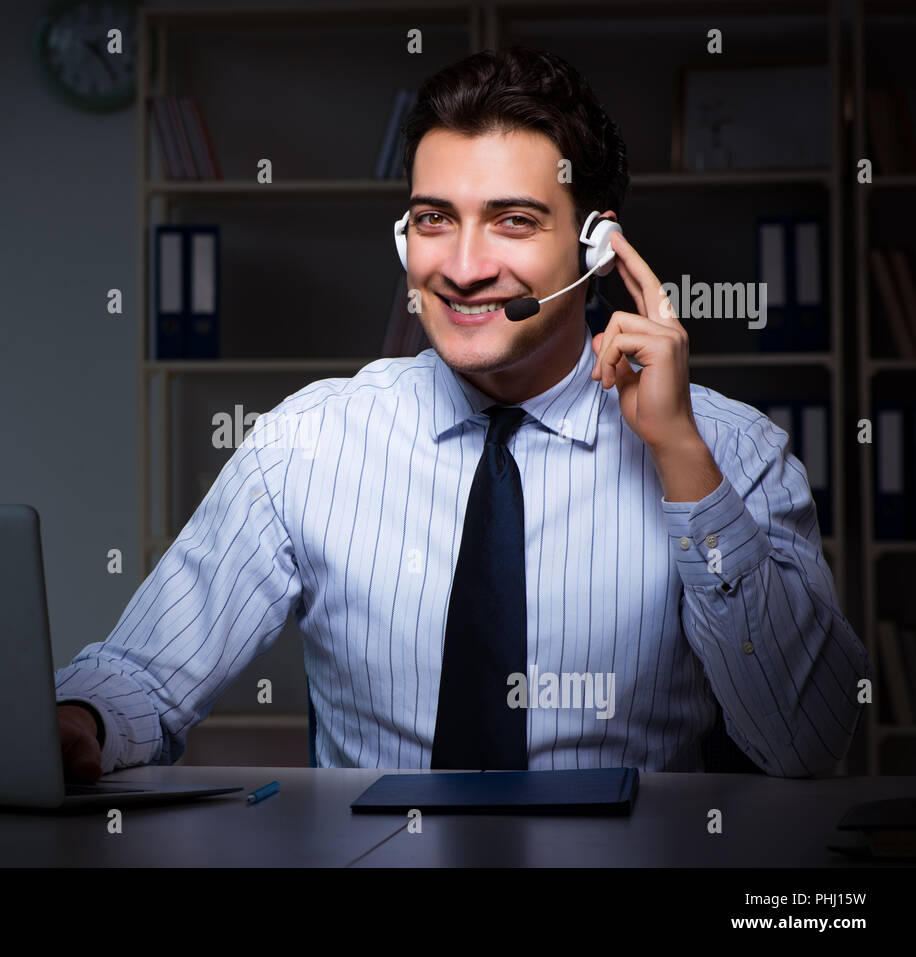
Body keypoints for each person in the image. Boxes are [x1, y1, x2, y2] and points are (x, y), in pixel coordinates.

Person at [55, 47, 869, 782]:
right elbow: (144, 674)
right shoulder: (306, 443)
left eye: (513, 220)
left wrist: (680, 455)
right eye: (434, 219)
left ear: (597, 248)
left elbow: (809, 741)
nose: (464, 267)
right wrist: (79, 721)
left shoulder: (730, 448)